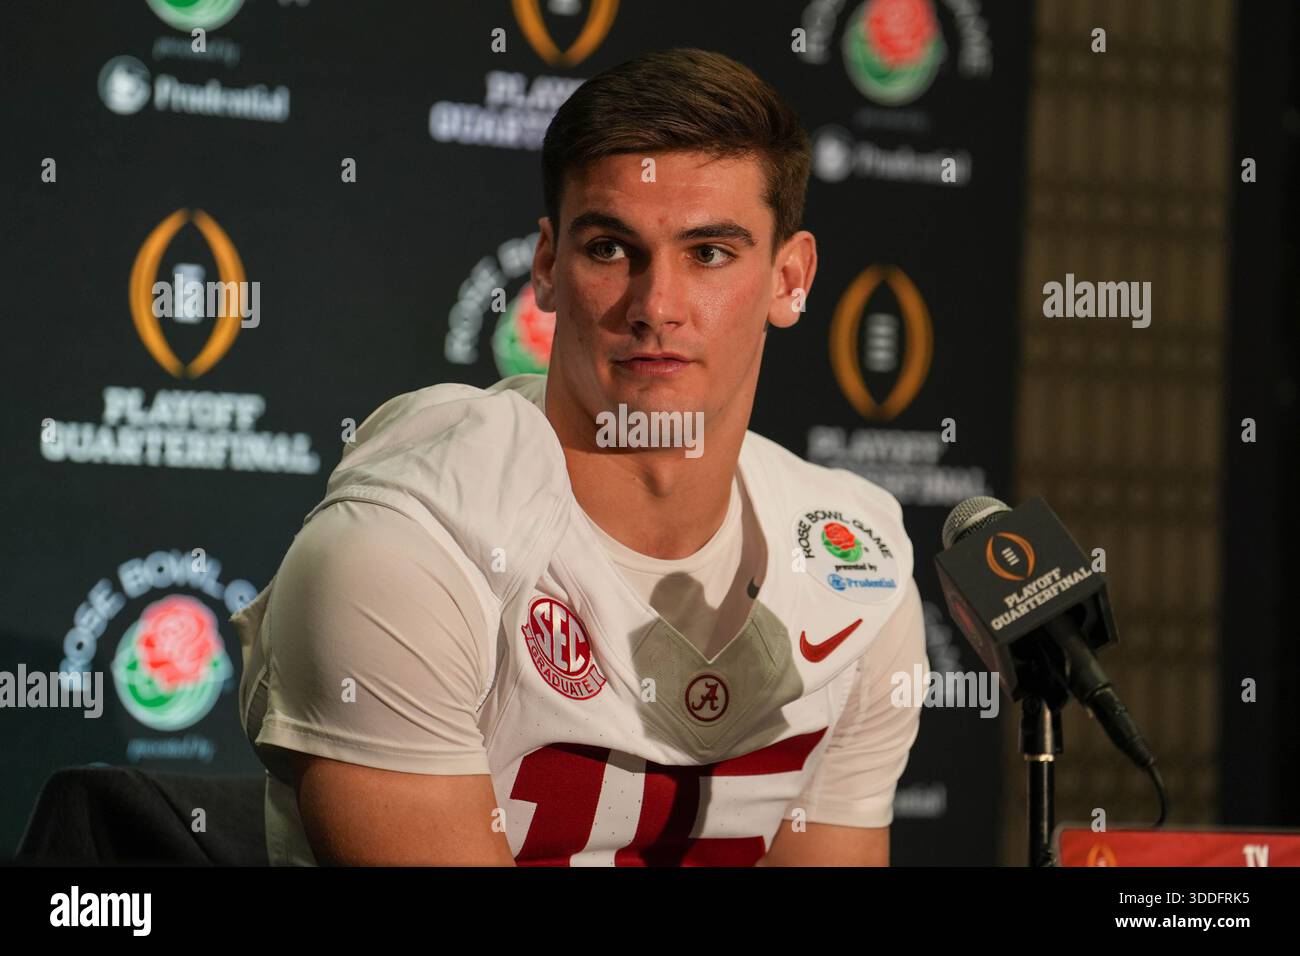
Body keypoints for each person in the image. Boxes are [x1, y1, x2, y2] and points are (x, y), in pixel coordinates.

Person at [233, 47, 928, 866]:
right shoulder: (408, 546)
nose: (655, 307)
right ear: (548, 267)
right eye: (609, 249)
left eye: (708, 253)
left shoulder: (856, 575)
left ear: (789, 280)